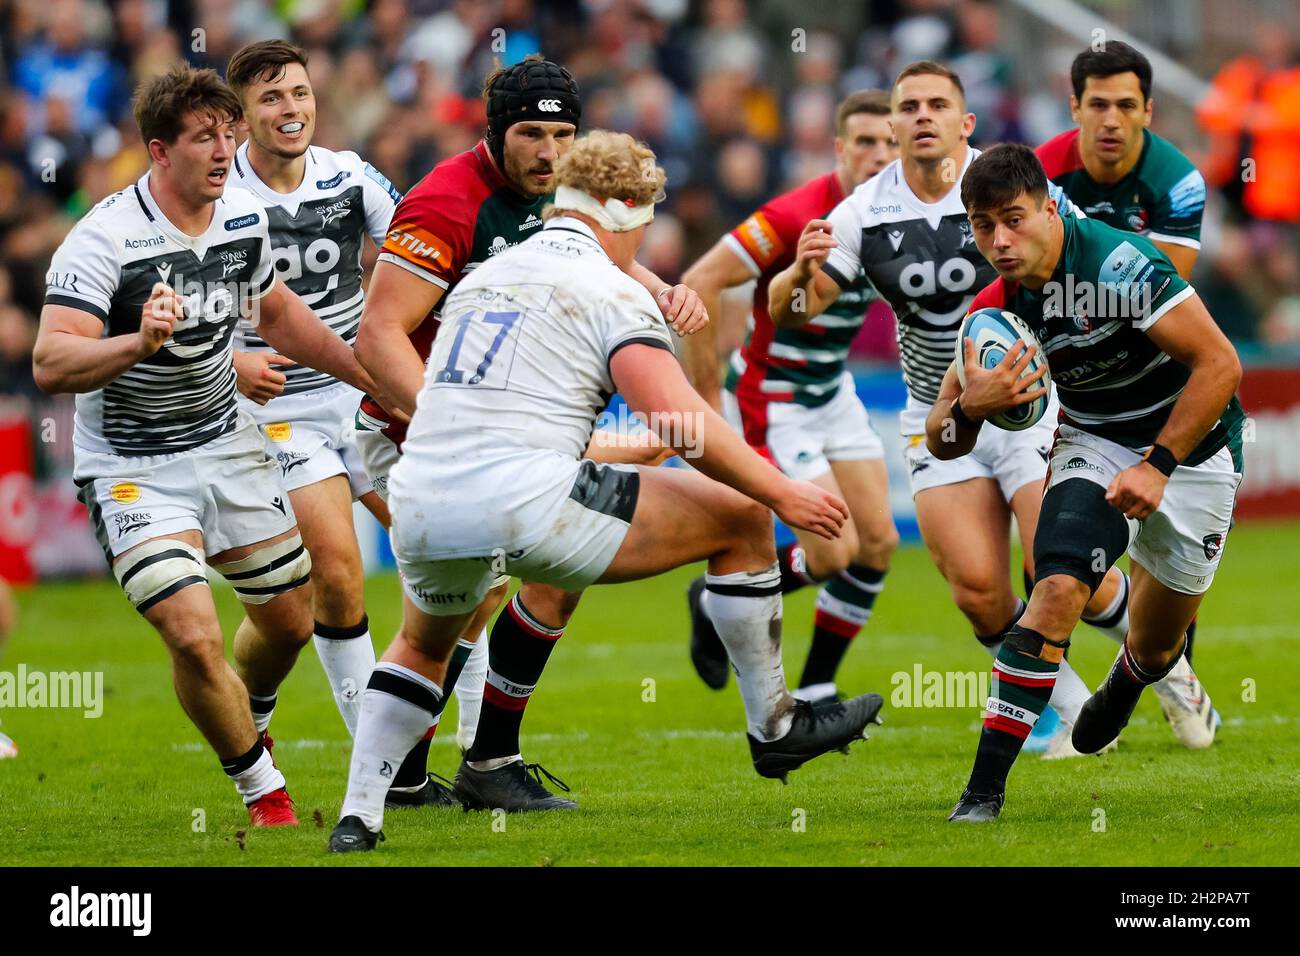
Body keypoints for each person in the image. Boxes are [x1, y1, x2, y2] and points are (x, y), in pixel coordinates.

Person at [329, 130, 884, 852]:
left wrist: (622, 449)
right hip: (523, 498)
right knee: (741, 516)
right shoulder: (611, 288)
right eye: (647, 220)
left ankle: (357, 817)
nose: (645, 243)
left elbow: (505, 413)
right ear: (624, 209)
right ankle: (775, 725)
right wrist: (781, 490)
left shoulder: (484, 278)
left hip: (425, 501)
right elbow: (677, 417)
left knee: (419, 647)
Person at [33, 66, 383, 826]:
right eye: (205, 138)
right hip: (133, 467)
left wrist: (369, 375)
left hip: (230, 444)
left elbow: (280, 313)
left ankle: (248, 714)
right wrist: (138, 341)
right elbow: (51, 362)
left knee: (291, 621)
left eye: (229, 134)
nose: (225, 151)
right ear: (159, 152)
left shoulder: (241, 220)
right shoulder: (104, 239)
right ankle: (267, 795)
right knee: (193, 633)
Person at [352, 56, 704, 812]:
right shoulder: (445, 203)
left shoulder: (556, 194)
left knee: (506, 588)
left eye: (564, 134)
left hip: (496, 440)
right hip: (409, 428)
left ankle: (427, 776)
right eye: (531, 134)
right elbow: (377, 333)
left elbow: (584, 250)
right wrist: (447, 424)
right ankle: (454, 770)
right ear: (493, 130)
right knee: (475, 596)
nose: (550, 153)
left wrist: (660, 289)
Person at [766, 61, 1125, 757]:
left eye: (938, 104)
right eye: (910, 106)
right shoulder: (864, 211)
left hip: (1029, 401)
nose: (922, 114)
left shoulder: (1008, 182)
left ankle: (1166, 673)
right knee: (980, 593)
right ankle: (1081, 711)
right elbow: (799, 311)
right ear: (894, 125)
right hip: (938, 415)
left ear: (965, 122)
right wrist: (795, 276)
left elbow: (1081, 253)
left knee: (1061, 567)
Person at [937, 144, 1243, 822]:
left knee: (1159, 642)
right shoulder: (994, 308)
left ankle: (1132, 678)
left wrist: (1159, 464)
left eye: (1013, 219)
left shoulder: (1117, 264)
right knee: (1055, 590)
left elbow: (1220, 365)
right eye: (983, 226)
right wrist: (969, 407)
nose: (1000, 240)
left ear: (1049, 208)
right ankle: (982, 794)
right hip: (1094, 443)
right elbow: (941, 434)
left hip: (1193, 452)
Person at [223, 40, 474, 808]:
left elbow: (419, 254)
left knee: (465, 553)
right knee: (335, 574)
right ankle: (388, 774)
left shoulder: (348, 174)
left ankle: (474, 741)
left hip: (362, 391)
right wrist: (228, 364)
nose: (290, 109)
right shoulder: (214, 196)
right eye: (271, 99)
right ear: (239, 118)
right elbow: (158, 297)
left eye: (298, 93)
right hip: (273, 408)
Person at [680, 90, 900, 703]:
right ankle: (713, 595)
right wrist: (702, 400)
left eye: (890, 142)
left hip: (833, 390)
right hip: (773, 397)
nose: (879, 154)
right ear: (838, 149)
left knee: (878, 545)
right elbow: (701, 280)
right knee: (834, 555)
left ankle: (816, 687)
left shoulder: (901, 210)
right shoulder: (798, 212)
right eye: (864, 142)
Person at [1037, 40, 1217, 746]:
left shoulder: (1179, 183)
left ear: (1149, 109)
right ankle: (1155, 680)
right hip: (1061, 369)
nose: (1110, 119)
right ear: (1074, 105)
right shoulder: (1042, 172)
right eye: (1097, 104)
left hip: (1151, 375)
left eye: (1125, 105)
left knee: (1163, 545)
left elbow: (1153, 294)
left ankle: (1172, 673)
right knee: (1054, 557)